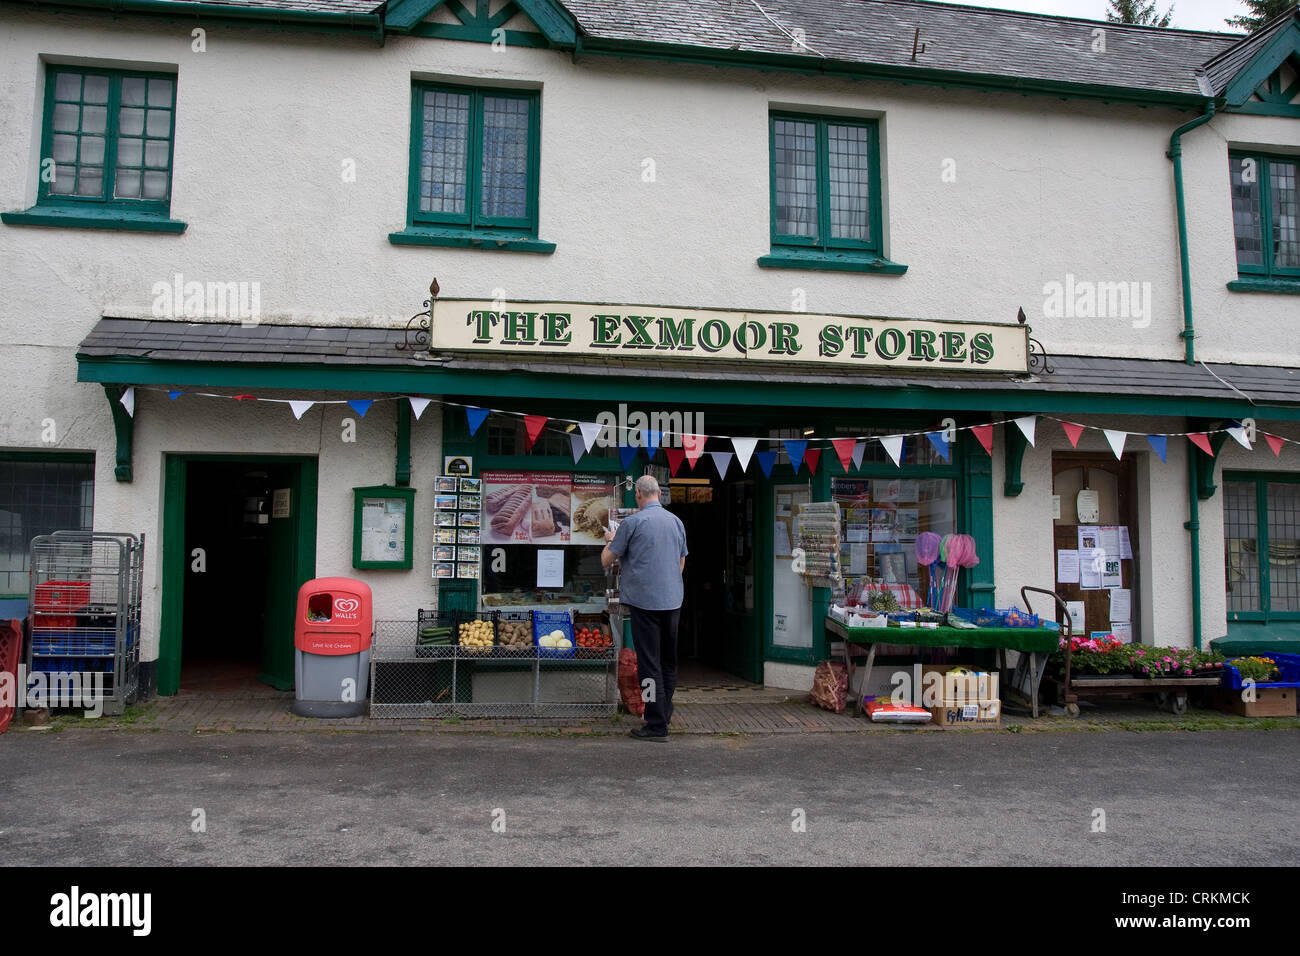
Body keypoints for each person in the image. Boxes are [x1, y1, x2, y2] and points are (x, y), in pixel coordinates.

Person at [602, 474, 688, 741]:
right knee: (668, 661)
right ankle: (665, 712)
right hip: (673, 601)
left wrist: (610, 539)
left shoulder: (633, 523)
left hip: (644, 603)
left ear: (638, 494)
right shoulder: (676, 522)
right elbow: (681, 563)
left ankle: (655, 724)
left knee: (649, 664)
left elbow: (607, 560)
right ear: (659, 494)